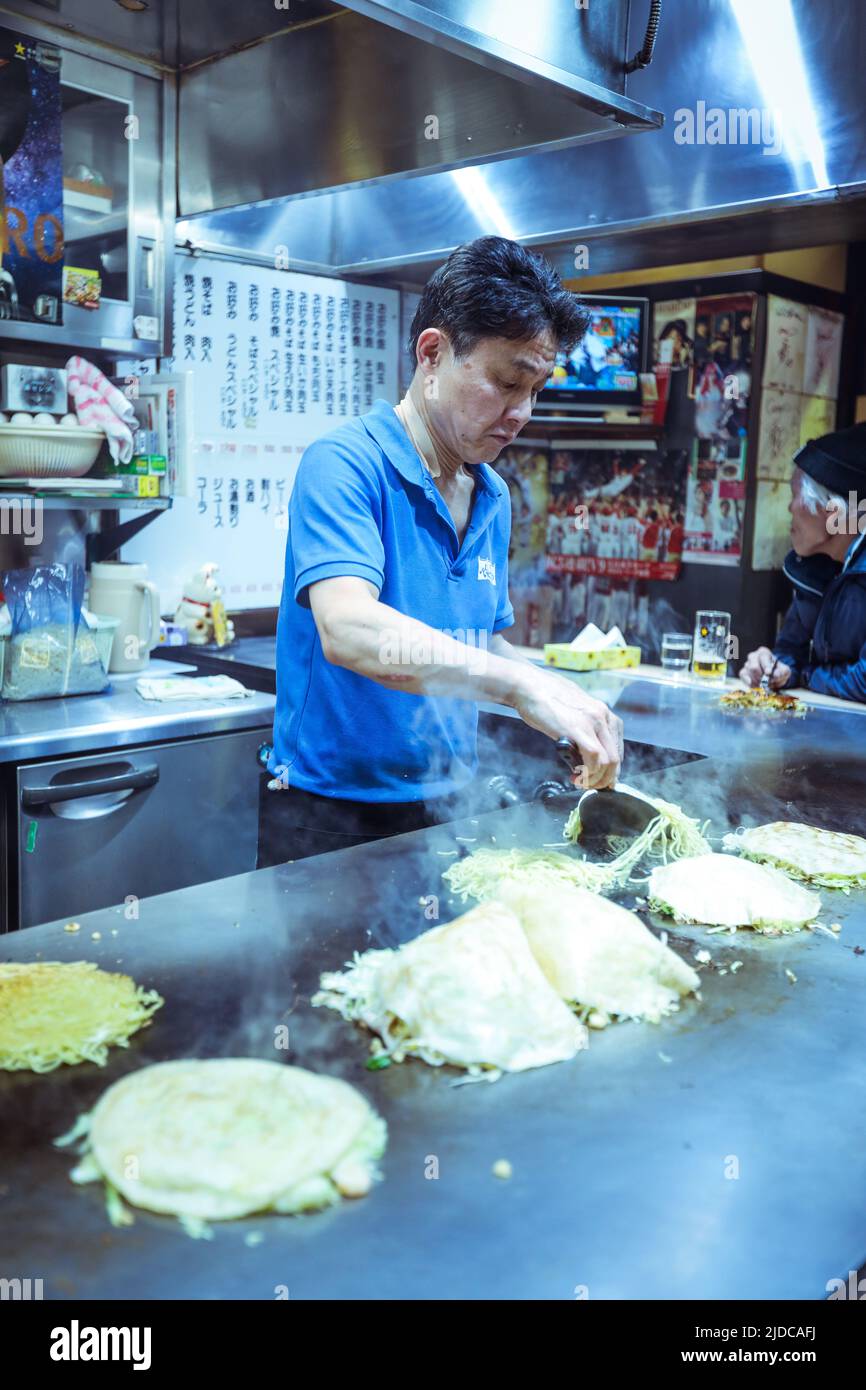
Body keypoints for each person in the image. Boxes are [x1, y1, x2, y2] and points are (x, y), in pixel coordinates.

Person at [260, 236, 623, 866]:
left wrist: (555, 691)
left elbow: (480, 639)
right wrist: (515, 687)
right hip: (330, 814)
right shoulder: (346, 464)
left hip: (451, 807)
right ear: (433, 354)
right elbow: (347, 628)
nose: (521, 413)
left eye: (536, 390)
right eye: (508, 382)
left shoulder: (493, 494)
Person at [741, 423, 866, 701]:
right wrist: (777, 668)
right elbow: (790, 651)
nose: (789, 508)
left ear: (831, 511)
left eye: (795, 495)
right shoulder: (813, 569)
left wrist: (809, 674)